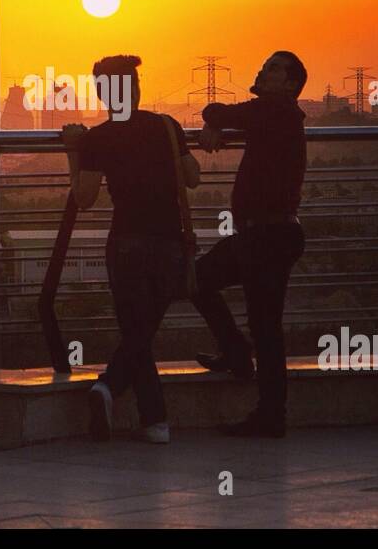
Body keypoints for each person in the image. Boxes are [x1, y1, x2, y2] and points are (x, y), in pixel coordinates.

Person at [62, 54, 200, 444]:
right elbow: (193, 178)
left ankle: (114, 392)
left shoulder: (97, 138)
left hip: (125, 243)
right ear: (137, 89)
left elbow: (84, 198)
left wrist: (73, 150)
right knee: (142, 332)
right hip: (169, 242)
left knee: (135, 329)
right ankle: (151, 420)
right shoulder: (166, 126)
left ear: (102, 93)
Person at [192, 51, 308, 437]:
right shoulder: (277, 114)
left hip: (267, 238)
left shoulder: (273, 110)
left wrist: (215, 123)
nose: (263, 68)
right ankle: (238, 354)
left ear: (290, 84)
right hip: (261, 236)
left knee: (264, 326)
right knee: (200, 281)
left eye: (274, 67)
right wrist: (218, 124)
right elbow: (224, 115)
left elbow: (216, 110)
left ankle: (270, 413)